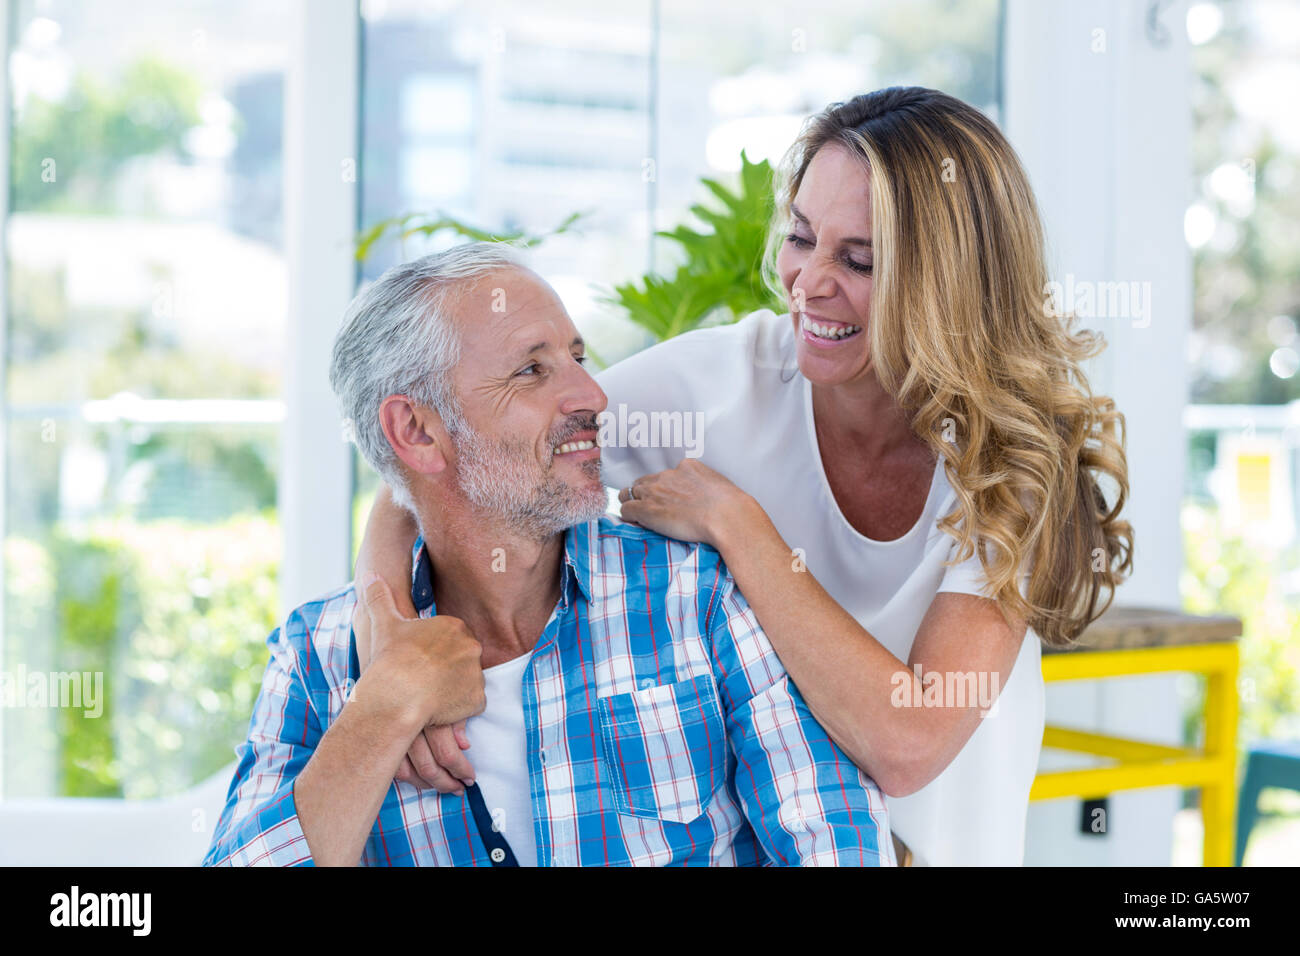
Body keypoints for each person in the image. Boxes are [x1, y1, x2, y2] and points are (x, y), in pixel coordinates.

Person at [351, 87, 1133, 866]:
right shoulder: (716, 384)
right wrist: (389, 653)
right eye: (801, 237)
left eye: (858, 260)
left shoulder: (1012, 458)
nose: (808, 283)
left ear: (952, 280)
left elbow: (909, 739)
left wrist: (741, 529)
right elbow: (436, 469)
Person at [203, 243, 894, 867]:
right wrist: (383, 711)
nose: (592, 396)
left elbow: (833, 836)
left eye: (578, 357)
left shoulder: (696, 596)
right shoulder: (318, 659)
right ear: (416, 430)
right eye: (531, 370)